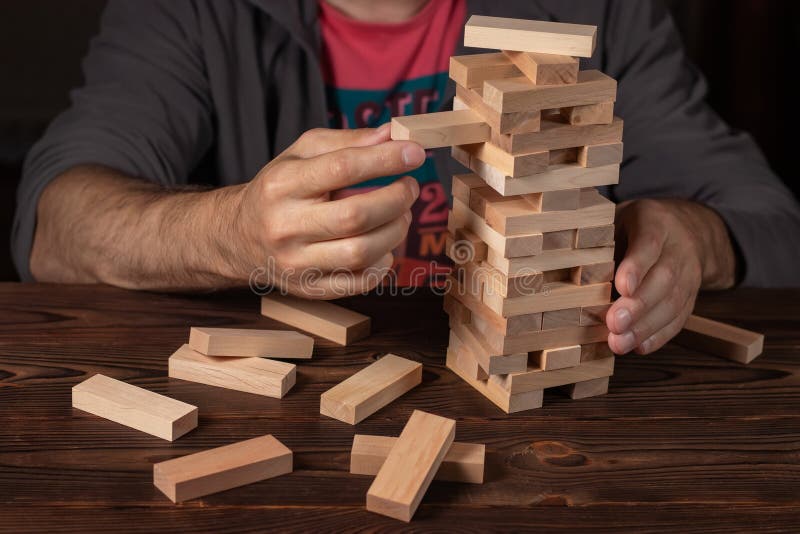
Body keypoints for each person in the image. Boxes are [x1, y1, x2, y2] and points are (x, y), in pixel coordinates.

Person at [13, 0, 800, 356]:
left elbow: (772, 220)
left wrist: (695, 239)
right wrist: (229, 230)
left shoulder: (595, 11)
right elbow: (57, 224)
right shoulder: (186, 13)